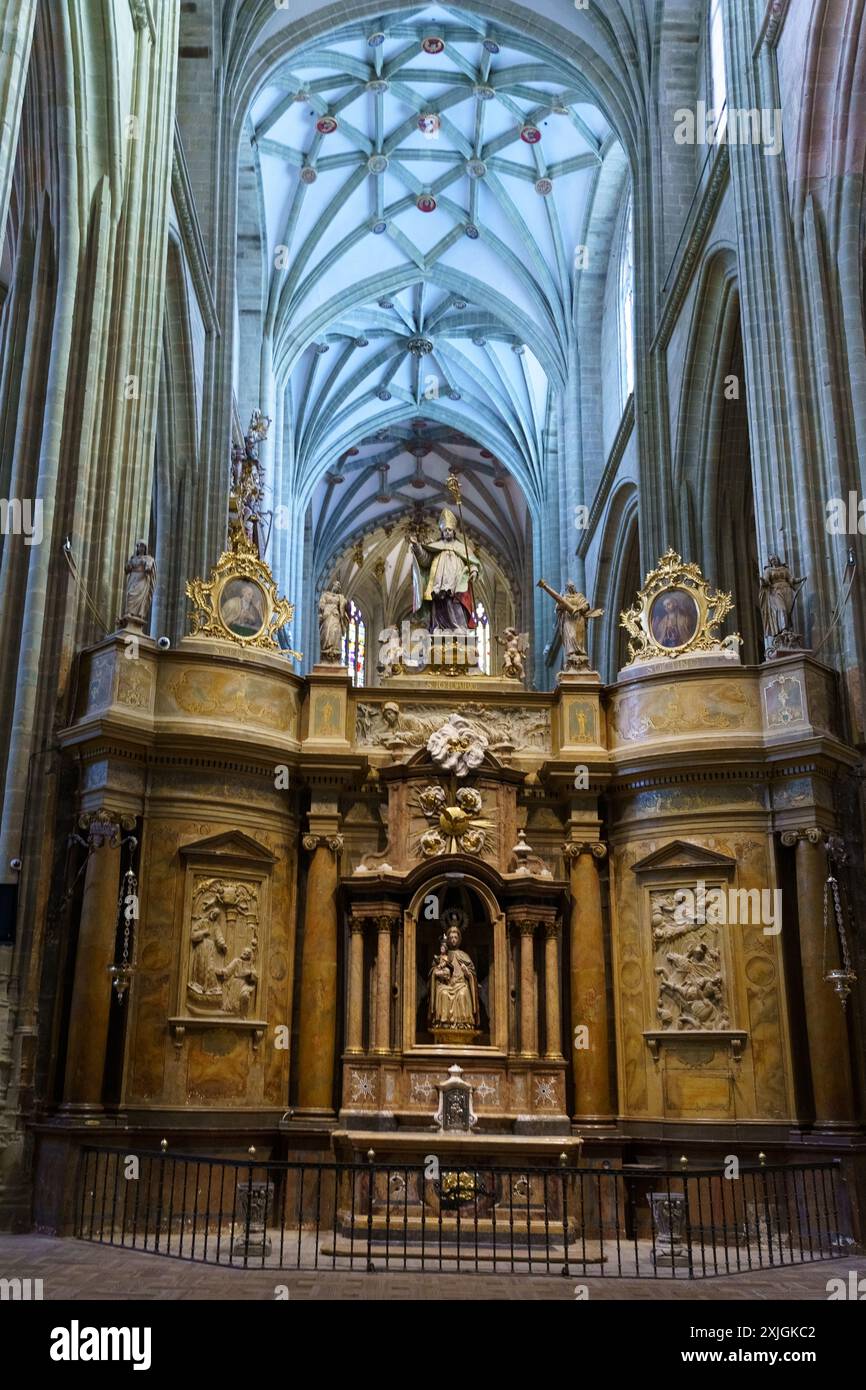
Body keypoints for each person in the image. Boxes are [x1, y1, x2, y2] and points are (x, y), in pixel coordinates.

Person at [411, 508, 480, 632]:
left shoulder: (461, 547)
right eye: (445, 530)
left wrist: (474, 570)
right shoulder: (436, 547)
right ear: (441, 532)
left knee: (455, 602)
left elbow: (472, 562)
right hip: (439, 583)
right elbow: (425, 560)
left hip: (456, 582)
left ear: (454, 532)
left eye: (450, 530)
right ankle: (438, 627)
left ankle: (458, 627)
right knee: (439, 603)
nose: (447, 532)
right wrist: (417, 547)